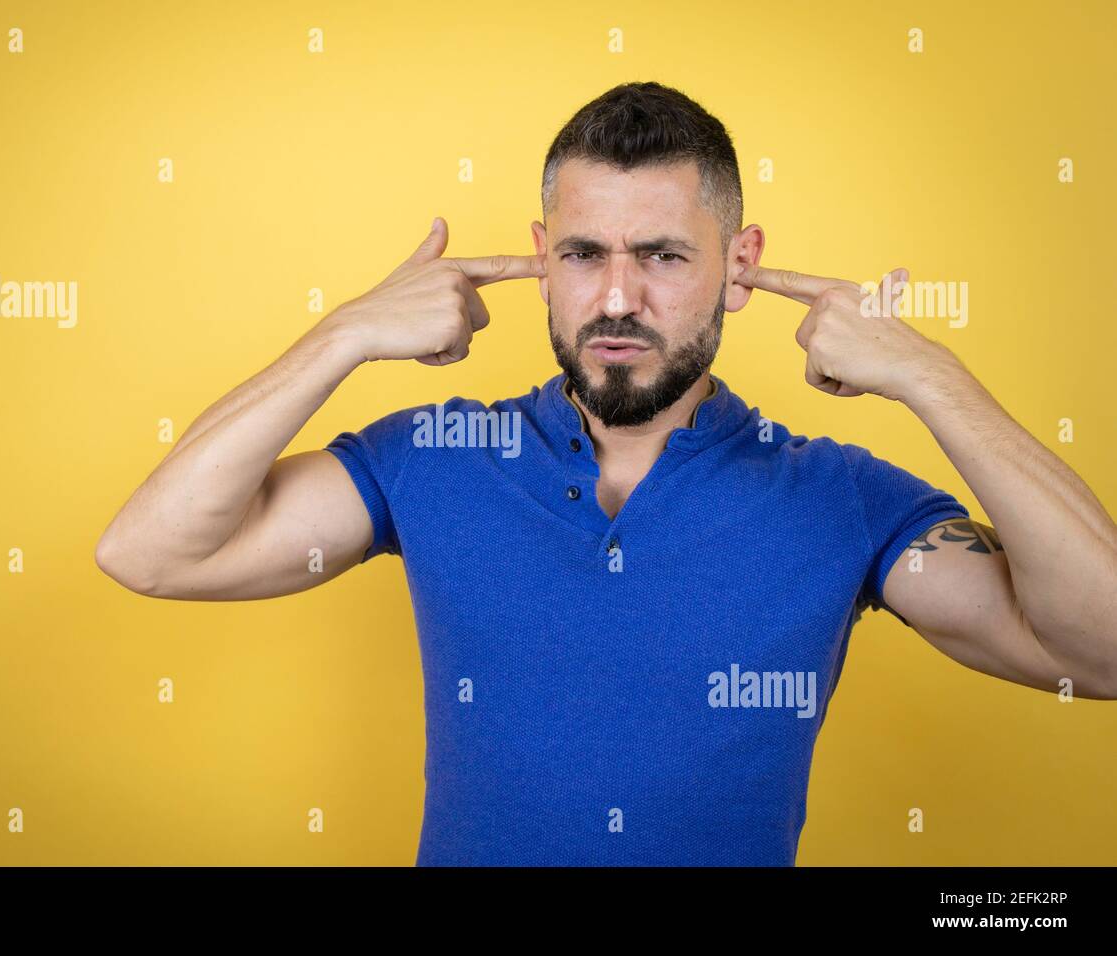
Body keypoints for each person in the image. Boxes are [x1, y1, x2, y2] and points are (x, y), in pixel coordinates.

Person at [95, 81, 1117, 866]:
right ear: (542, 258)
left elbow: (1103, 649)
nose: (618, 296)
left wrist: (933, 379)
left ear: (741, 263)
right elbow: (149, 550)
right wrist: (344, 333)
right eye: (585, 253)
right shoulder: (437, 459)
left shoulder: (840, 497)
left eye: (665, 256)